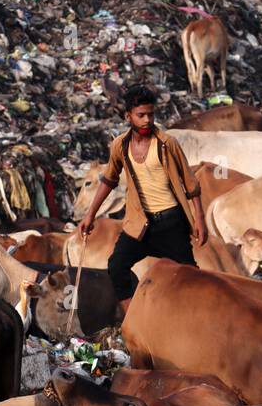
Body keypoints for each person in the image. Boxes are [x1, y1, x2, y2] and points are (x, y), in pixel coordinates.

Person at [80, 85, 206, 314]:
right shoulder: (120, 145)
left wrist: (199, 219)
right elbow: (109, 180)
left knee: (189, 275)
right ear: (128, 116)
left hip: (171, 222)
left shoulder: (168, 144)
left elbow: (191, 184)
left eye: (151, 114)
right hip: (140, 224)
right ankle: (133, 318)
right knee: (116, 266)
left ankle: (194, 318)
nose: (147, 120)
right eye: (141, 115)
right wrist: (90, 215)